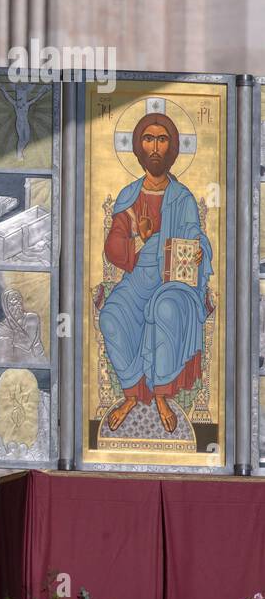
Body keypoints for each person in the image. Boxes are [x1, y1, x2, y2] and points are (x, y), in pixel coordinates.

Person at [98, 112, 212, 435]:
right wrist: (140, 238)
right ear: (139, 147)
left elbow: (196, 237)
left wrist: (200, 251)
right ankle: (132, 394)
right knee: (110, 316)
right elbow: (113, 248)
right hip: (137, 280)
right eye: (148, 139)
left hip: (173, 282)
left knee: (165, 309)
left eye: (162, 140)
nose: (155, 147)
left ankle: (161, 395)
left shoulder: (183, 198)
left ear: (171, 148)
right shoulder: (129, 197)